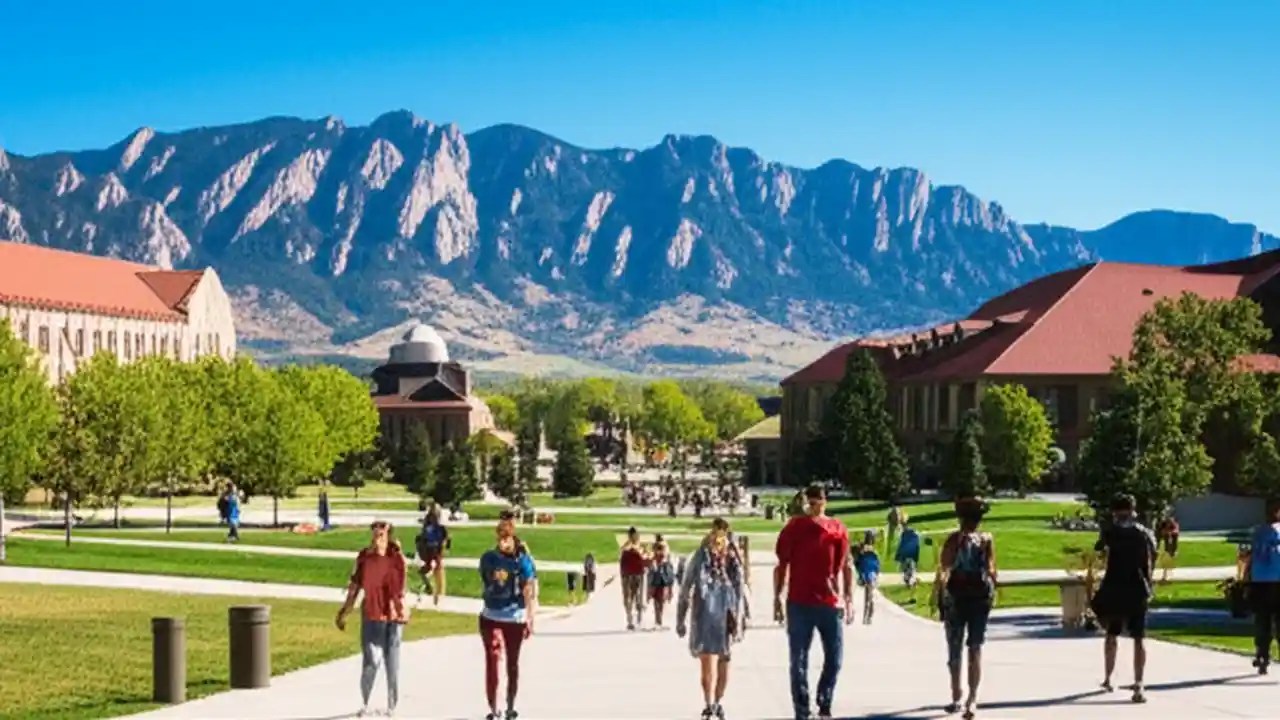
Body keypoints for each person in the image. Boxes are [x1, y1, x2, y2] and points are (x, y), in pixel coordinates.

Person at [774, 484, 852, 720]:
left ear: (825, 501)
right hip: (799, 602)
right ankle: (801, 709)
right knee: (798, 660)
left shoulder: (836, 529)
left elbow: (846, 565)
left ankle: (824, 699)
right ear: (805, 502)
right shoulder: (794, 528)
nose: (815, 506)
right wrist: (777, 596)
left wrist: (848, 597)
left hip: (829, 601)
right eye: (811, 502)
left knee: (835, 658)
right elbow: (782, 564)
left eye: (819, 501)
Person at [677, 517, 748, 720]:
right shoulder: (721, 555)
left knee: (717, 658)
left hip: (720, 610)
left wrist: (681, 618)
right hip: (716, 609)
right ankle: (713, 703)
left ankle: (713, 703)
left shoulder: (724, 556)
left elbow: (686, 588)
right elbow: (742, 588)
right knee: (719, 658)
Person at [336, 520, 408, 718]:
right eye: (375, 534)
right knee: (371, 661)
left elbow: (400, 589)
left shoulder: (397, 559)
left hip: (393, 618)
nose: (378, 538)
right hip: (371, 614)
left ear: (388, 536)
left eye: (382, 534)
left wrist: (402, 609)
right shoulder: (364, 558)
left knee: (392, 663)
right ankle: (365, 702)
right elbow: (354, 588)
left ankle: (391, 705)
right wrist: (345, 611)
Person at [1090, 493, 1156, 704]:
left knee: (1112, 634)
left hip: (1115, 588)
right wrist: (1149, 585)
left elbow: (1099, 554)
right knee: (1138, 637)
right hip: (1137, 589)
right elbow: (1150, 561)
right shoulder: (1144, 534)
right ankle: (1139, 682)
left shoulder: (1111, 533)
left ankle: (1109, 678)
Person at [935, 498, 997, 720]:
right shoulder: (981, 539)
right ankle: (968, 697)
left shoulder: (958, 539)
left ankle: (960, 696)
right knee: (974, 647)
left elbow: (944, 566)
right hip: (977, 598)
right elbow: (991, 569)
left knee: (957, 648)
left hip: (960, 598)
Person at [479, 511, 538, 720]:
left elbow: (528, 590)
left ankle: (510, 704)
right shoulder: (488, 558)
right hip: (491, 615)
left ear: (513, 537)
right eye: (500, 536)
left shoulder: (523, 562)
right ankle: (493, 707)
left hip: (515, 617)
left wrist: (530, 617)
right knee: (493, 659)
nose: (503, 541)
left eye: (507, 536)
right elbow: (488, 582)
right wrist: (500, 564)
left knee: (512, 662)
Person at [1246, 498, 1280, 674]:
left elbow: (1249, 557)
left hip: (1260, 580)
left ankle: (1262, 654)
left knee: (1262, 620)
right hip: (1277, 580)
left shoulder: (1257, 532)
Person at [415, 507, 451, 606]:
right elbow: (421, 540)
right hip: (429, 553)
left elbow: (447, 538)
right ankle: (429, 588)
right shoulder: (427, 528)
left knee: (438, 573)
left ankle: (438, 596)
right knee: (425, 571)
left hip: (436, 554)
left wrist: (445, 548)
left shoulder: (441, 528)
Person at [620, 527, 649, 630]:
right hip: (627, 574)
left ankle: (638, 617)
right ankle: (630, 619)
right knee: (628, 597)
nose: (636, 537)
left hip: (637, 574)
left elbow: (646, 557)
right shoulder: (627, 546)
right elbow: (623, 552)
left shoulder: (640, 546)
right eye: (634, 536)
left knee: (637, 596)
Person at [853, 530, 881, 625]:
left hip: (867, 572)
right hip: (869, 572)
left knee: (869, 597)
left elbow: (858, 562)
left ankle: (867, 616)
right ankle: (868, 616)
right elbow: (877, 563)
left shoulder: (864, 549)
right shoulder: (870, 550)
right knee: (869, 597)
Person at [649, 540, 677, 629]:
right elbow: (651, 573)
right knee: (656, 602)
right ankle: (658, 620)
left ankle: (659, 620)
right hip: (655, 583)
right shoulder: (654, 560)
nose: (660, 552)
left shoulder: (667, 561)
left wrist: (670, 589)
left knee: (661, 602)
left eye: (662, 549)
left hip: (663, 584)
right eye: (658, 549)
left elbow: (670, 576)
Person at [896, 524, 923, 603]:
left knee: (909, 577)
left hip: (908, 559)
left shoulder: (907, 536)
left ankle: (913, 595)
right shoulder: (912, 536)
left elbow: (902, 546)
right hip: (908, 559)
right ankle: (913, 590)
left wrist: (899, 556)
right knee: (908, 577)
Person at [1157, 515, 1180, 583]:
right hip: (1164, 547)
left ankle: (1165, 577)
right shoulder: (1162, 526)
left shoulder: (1174, 528)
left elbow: (1175, 533)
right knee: (1164, 562)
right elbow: (1161, 533)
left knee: (1167, 563)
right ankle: (1165, 577)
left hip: (1170, 549)